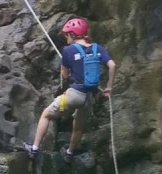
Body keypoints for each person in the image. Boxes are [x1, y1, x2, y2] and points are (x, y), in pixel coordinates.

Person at [25, 17, 116, 157]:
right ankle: (69, 153)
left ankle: (35, 149)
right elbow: (112, 65)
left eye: (67, 34)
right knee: (78, 127)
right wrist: (109, 87)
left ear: (72, 34)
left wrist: (67, 69)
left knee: (46, 115)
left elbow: (65, 75)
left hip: (74, 95)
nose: (66, 37)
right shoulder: (98, 48)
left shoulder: (69, 50)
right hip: (88, 98)